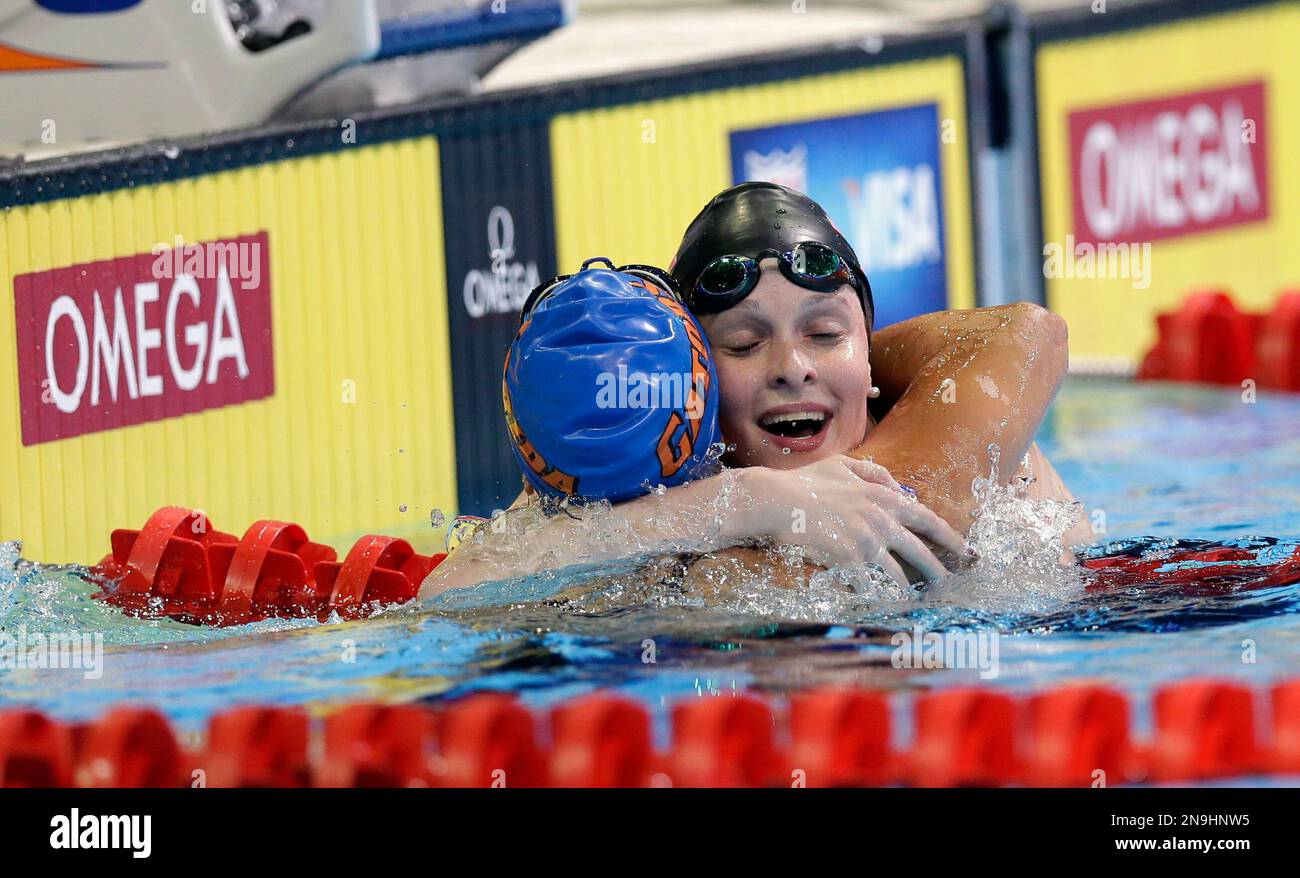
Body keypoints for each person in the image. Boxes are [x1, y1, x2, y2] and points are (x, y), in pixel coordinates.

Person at [422, 183, 1087, 598]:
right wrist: (741, 500)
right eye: (743, 345)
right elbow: (449, 593)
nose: (792, 367)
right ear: (697, 384)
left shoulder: (972, 449)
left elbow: (1029, 333)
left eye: (826, 334)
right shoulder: (671, 485)